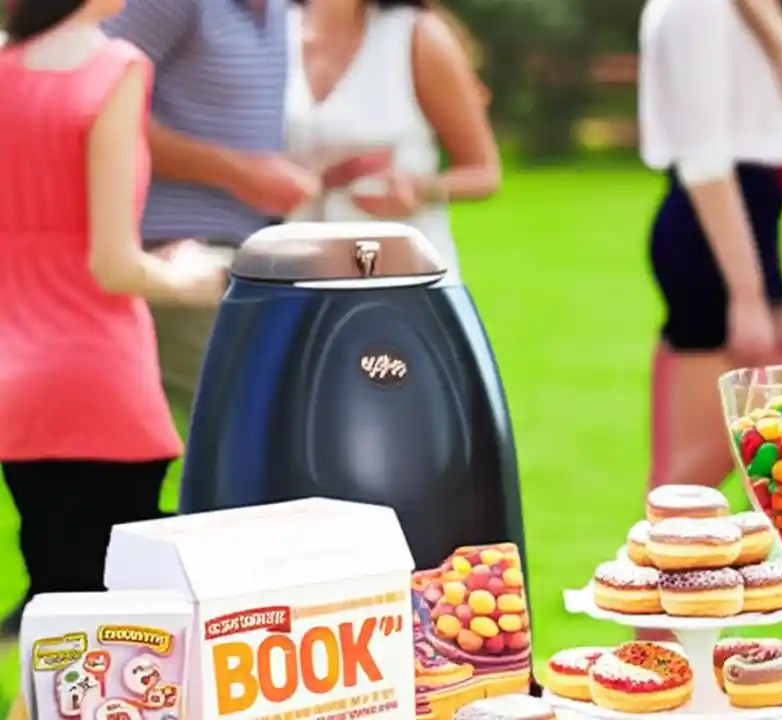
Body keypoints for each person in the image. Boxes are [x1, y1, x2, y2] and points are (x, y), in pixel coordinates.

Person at [0, 0, 227, 631]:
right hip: (97, 378)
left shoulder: (5, 71)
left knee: (58, 612)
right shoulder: (115, 69)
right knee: (117, 626)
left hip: (16, 383)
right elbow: (112, 265)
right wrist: (195, 278)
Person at [101, 0, 318, 429]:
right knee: (258, 429)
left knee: (277, 429)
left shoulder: (277, 11)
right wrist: (237, 174)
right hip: (172, 260)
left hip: (245, 262)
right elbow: (98, 104)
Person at [640, 0, 782, 496]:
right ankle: (649, 572)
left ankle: (757, 570)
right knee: (692, 477)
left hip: (747, 235)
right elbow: (705, 160)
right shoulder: (699, 10)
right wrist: (746, 294)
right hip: (716, 245)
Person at [283, 0, 500, 284]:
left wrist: (417, 191)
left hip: (401, 281)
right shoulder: (273, 30)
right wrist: (320, 180)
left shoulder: (416, 36)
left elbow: (484, 173)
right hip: (297, 278)